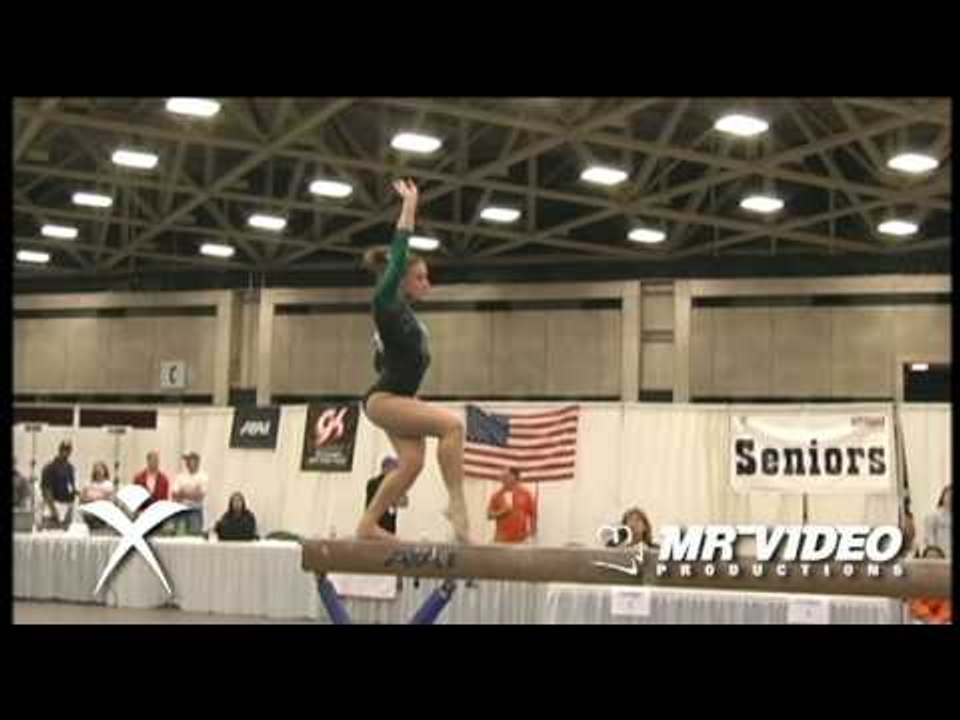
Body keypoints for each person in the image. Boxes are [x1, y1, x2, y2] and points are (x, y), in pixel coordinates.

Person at [356, 179, 472, 544]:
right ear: (400, 279)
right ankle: (457, 505)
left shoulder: (404, 315)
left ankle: (368, 525)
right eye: (420, 277)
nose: (427, 283)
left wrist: (382, 351)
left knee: (412, 463)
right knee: (452, 428)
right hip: (385, 400)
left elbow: (389, 362)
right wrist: (410, 204)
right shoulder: (385, 301)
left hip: (398, 398)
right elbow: (401, 245)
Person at [487, 467, 537, 543]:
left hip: (521, 539)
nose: (502, 478)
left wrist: (532, 532)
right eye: (502, 476)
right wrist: (502, 511)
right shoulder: (497, 495)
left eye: (506, 476)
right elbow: (489, 515)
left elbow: (533, 514)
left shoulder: (525, 494)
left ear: (514, 477)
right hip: (502, 539)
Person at [365, 456, 409, 536]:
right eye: (393, 469)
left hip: (390, 525)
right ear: (385, 469)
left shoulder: (395, 484)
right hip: (376, 524)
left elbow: (404, 503)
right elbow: (383, 499)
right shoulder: (374, 483)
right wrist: (395, 497)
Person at [908, 546, 951, 624]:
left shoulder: (947, 578)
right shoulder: (917, 579)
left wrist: (939, 620)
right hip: (922, 619)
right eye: (929, 559)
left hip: (943, 620)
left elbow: (948, 605)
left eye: (936, 559)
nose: (933, 562)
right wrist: (929, 619)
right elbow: (915, 604)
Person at [40, 440, 77, 529]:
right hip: (52, 506)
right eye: (64, 449)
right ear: (59, 450)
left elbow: (71, 488)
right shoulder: (49, 467)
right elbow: (46, 489)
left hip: (66, 506)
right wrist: (54, 510)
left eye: (68, 450)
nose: (66, 452)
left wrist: (71, 507)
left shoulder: (70, 468)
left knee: (65, 534)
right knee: (50, 534)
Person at [172, 452, 208, 535]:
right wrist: (193, 491)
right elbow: (174, 495)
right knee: (179, 534)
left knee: (194, 536)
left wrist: (183, 493)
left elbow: (199, 496)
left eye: (190, 460)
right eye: (187, 461)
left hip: (195, 510)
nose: (188, 463)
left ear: (197, 462)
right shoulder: (180, 476)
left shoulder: (203, 477)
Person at [80, 461, 115, 531]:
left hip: (103, 514)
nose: (98, 472)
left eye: (100, 470)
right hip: (89, 513)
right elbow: (82, 499)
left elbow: (111, 501)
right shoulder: (88, 484)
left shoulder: (108, 485)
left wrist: (99, 500)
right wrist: (92, 500)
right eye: (97, 470)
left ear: (105, 471)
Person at [923, 485, 951, 557]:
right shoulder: (933, 516)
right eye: (949, 495)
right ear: (943, 497)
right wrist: (935, 553)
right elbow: (929, 538)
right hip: (940, 556)